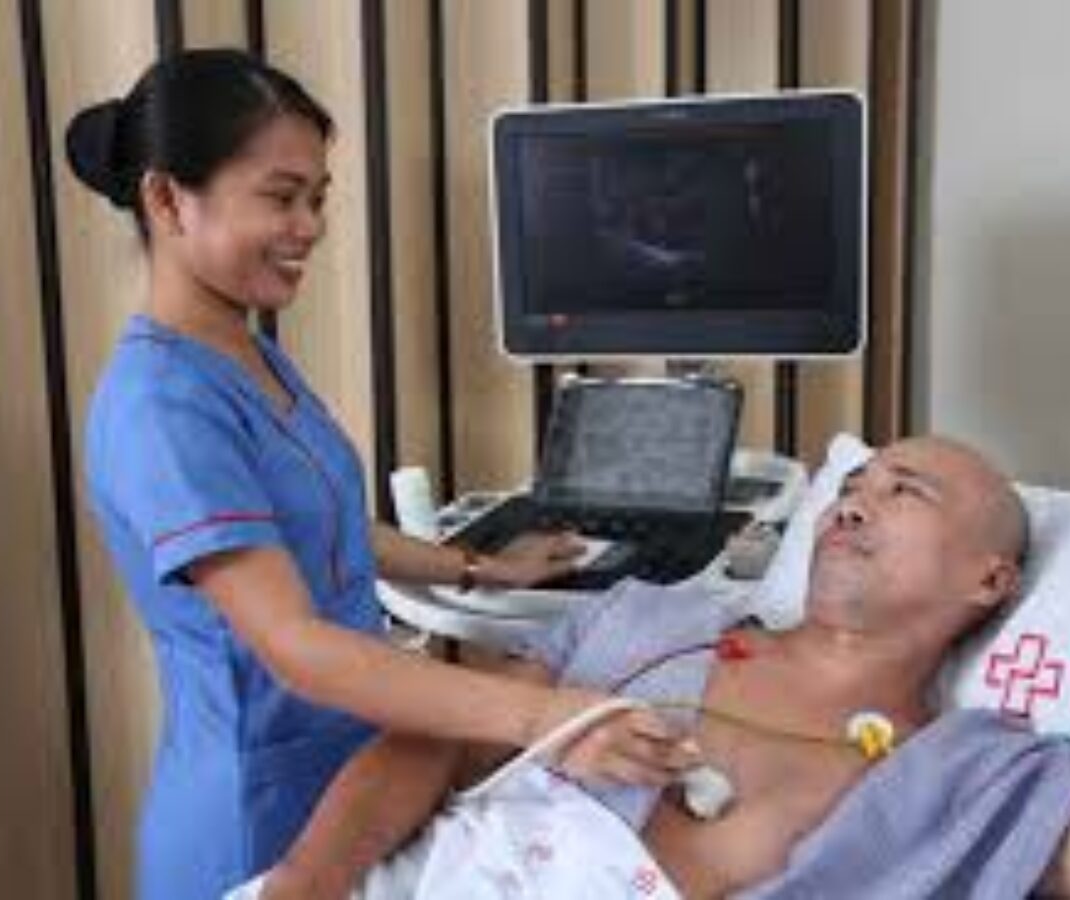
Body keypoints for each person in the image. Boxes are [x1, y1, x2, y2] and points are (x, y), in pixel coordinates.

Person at [66, 48, 698, 900]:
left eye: (318, 199)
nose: (310, 227)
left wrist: (481, 567)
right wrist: (546, 717)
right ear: (168, 199)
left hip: (357, 778)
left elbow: (316, 526)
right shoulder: (161, 405)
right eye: (281, 197)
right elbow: (295, 646)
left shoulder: (248, 353)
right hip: (258, 813)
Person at [250, 435, 1070, 899]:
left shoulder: (973, 778)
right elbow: (436, 745)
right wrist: (302, 885)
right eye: (851, 487)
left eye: (904, 492)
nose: (850, 506)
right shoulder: (645, 619)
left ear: (990, 579)